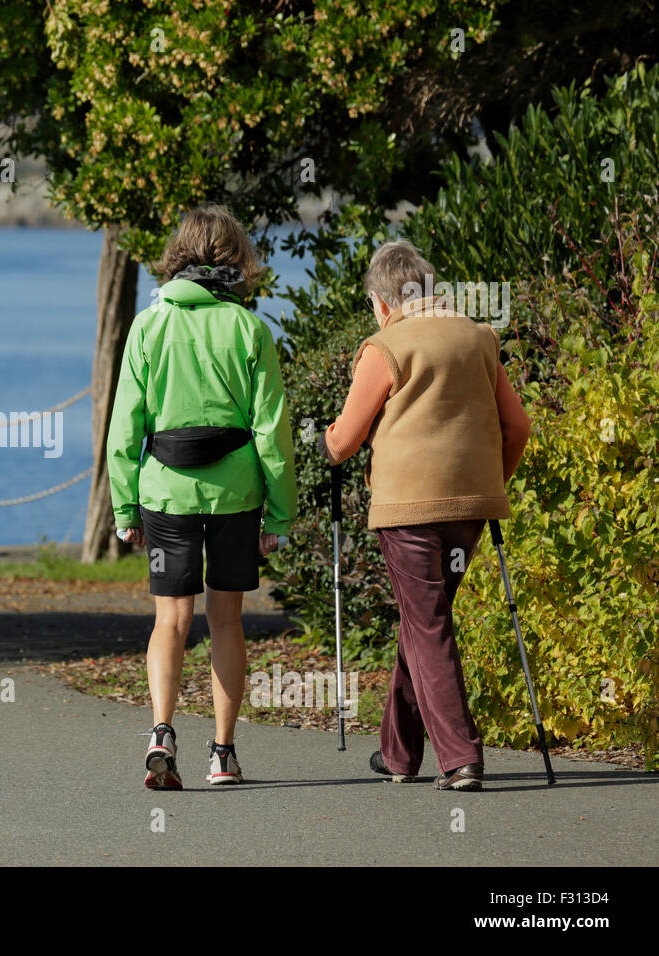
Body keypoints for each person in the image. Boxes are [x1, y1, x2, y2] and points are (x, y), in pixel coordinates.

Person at [319, 238, 531, 792]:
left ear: (381, 301)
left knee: (427, 622)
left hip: (408, 508)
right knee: (425, 619)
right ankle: (399, 752)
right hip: (472, 507)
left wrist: (325, 442)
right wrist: (492, 481)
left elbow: (344, 440)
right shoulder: (478, 336)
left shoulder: (385, 346)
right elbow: (520, 427)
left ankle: (460, 756)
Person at [107, 204, 297, 790]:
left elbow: (124, 428)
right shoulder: (248, 328)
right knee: (226, 621)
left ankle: (161, 734)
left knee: (171, 619)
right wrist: (281, 512)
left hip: (166, 492)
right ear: (235, 260)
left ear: (178, 259)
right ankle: (223, 754)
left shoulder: (148, 325)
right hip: (236, 494)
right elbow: (272, 430)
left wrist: (122, 508)